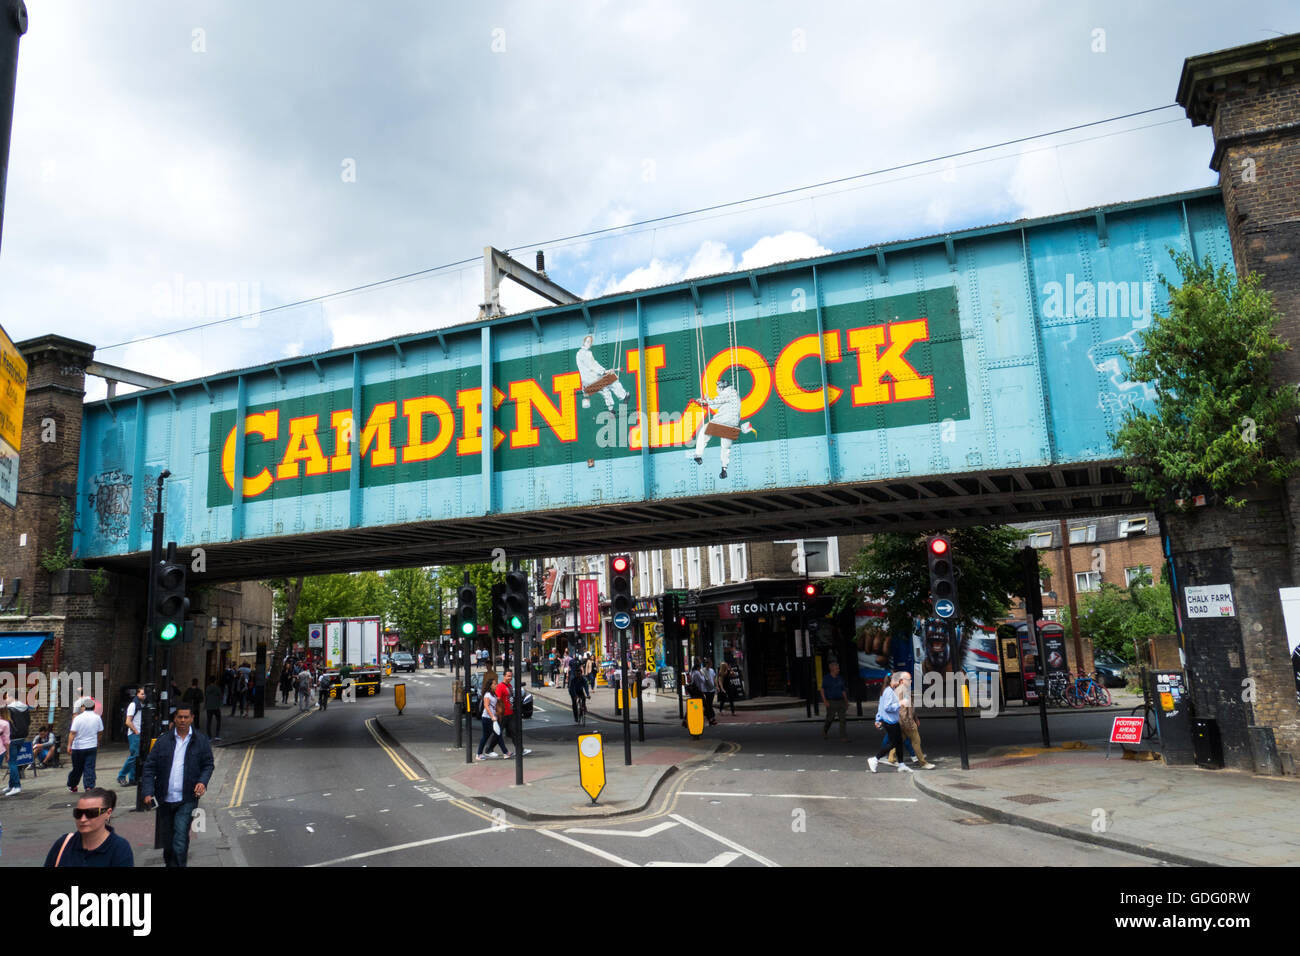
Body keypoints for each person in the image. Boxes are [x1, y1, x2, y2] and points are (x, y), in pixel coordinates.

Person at [141, 704, 214, 868]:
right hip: (164, 799)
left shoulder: (200, 741)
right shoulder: (163, 741)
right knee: (167, 842)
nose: (182, 720)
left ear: (192, 718)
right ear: (175, 718)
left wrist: (202, 781)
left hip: (187, 798)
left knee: (180, 839)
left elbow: (208, 764)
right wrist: (147, 791)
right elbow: (149, 766)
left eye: (186, 717)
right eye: (179, 717)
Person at [44, 788, 134, 867]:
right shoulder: (63, 843)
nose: (83, 819)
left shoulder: (119, 848)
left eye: (91, 813)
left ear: (108, 813)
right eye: (78, 813)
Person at [690, 379, 756, 479]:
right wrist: (707, 401)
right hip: (733, 426)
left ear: (722, 387)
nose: (717, 390)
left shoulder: (726, 393)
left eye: (717, 388)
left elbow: (715, 404)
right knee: (725, 448)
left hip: (721, 423)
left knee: (704, 432)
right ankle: (724, 469)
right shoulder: (735, 395)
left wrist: (707, 399)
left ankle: (698, 455)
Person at [868, 673, 911, 774]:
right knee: (893, 743)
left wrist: (877, 719)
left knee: (899, 742)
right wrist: (900, 704)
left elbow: (881, 705)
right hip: (890, 721)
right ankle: (875, 759)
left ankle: (901, 765)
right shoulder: (888, 691)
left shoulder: (887, 690)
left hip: (892, 720)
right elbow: (887, 707)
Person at [891, 672, 934, 769]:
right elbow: (902, 710)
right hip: (906, 722)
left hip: (903, 721)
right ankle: (923, 763)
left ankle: (890, 757)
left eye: (910, 679)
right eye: (908, 680)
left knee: (899, 740)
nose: (910, 681)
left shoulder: (902, 690)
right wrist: (909, 723)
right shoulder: (902, 691)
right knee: (916, 741)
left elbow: (910, 707)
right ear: (902, 681)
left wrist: (916, 718)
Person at [575, 333, 629, 412]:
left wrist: (604, 371)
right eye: (587, 341)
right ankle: (624, 396)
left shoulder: (584, 353)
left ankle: (611, 409)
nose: (589, 343)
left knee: (604, 388)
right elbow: (592, 365)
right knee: (612, 378)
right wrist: (604, 371)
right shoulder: (584, 353)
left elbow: (594, 364)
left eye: (590, 342)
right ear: (584, 342)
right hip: (591, 381)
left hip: (587, 385)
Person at [66, 698, 104, 792]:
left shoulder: (78, 718)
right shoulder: (97, 717)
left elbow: (72, 733)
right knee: (89, 767)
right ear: (93, 707)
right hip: (91, 746)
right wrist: (97, 741)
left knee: (77, 768)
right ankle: (89, 786)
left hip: (78, 747)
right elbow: (100, 732)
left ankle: (72, 785)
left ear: (83, 707)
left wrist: (69, 745)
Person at [495, 669, 530, 756]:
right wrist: (499, 712)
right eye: (508, 676)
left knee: (514, 732)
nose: (510, 678)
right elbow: (497, 700)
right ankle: (488, 749)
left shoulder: (509, 685)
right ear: (504, 676)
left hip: (510, 713)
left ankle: (520, 750)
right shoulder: (500, 686)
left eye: (511, 676)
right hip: (503, 714)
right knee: (497, 733)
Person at [117, 686, 146, 786]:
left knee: (136, 756)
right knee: (133, 756)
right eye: (142, 694)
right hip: (134, 733)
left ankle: (132, 778)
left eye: (144, 694)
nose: (144, 695)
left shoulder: (140, 705)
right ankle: (121, 776)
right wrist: (136, 731)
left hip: (137, 733)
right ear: (137, 694)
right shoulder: (133, 705)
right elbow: (128, 721)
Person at [2, 695, 30, 795]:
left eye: (7, 697)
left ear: (12, 697)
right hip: (22, 737)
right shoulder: (25, 707)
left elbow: (6, 723)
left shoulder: (9, 709)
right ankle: (11, 784)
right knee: (13, 761)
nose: (5, 700)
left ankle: (17, 786)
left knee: (12, 762)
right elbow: (28, 722)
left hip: (12, 738)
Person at [476, 681, 510, 760]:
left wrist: (497, 714)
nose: (496, 685)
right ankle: (505, 752)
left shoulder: (493, 694)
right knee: (498, 734)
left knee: (486, 736)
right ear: (490, 685)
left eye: (496, 683)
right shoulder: (487, 695)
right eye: (494, 684)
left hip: (490, 718)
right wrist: (492, 717)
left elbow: (494, 706)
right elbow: (486, 706)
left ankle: (479, 754)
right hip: (487, 718)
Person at [820, 661, 850, 741]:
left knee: (843, 719)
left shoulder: (840, 678)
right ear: (832, 669)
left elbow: (843, 690)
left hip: (841, 701)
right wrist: (825, 701)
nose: (838, 670)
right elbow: (822, 690)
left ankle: (843, 736)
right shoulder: (826, 678)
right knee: (830, 718)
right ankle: (825, 730)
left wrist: (846, 701)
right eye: (837, 668)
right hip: (831, 701)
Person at [204, 676, 224, 740]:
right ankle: (217, 735)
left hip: (209, 707)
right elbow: (221, 696)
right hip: (216, 707)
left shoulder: (207, 688)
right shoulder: (217, 688)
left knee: (209, 722)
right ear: (215, 681)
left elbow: (206, 697)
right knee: (218, 721)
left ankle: (209, 736)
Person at [701, 659, 717, 725]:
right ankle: (712, 716)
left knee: (709, 704)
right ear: (707, 664)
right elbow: (701, 680)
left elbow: (714, 679)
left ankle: (707, 714)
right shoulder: (702, 671)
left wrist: (717, 686)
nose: (711, 665)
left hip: (712, 689)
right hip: (706, 690)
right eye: (710, 663)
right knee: (709, 704)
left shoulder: (712, 670)